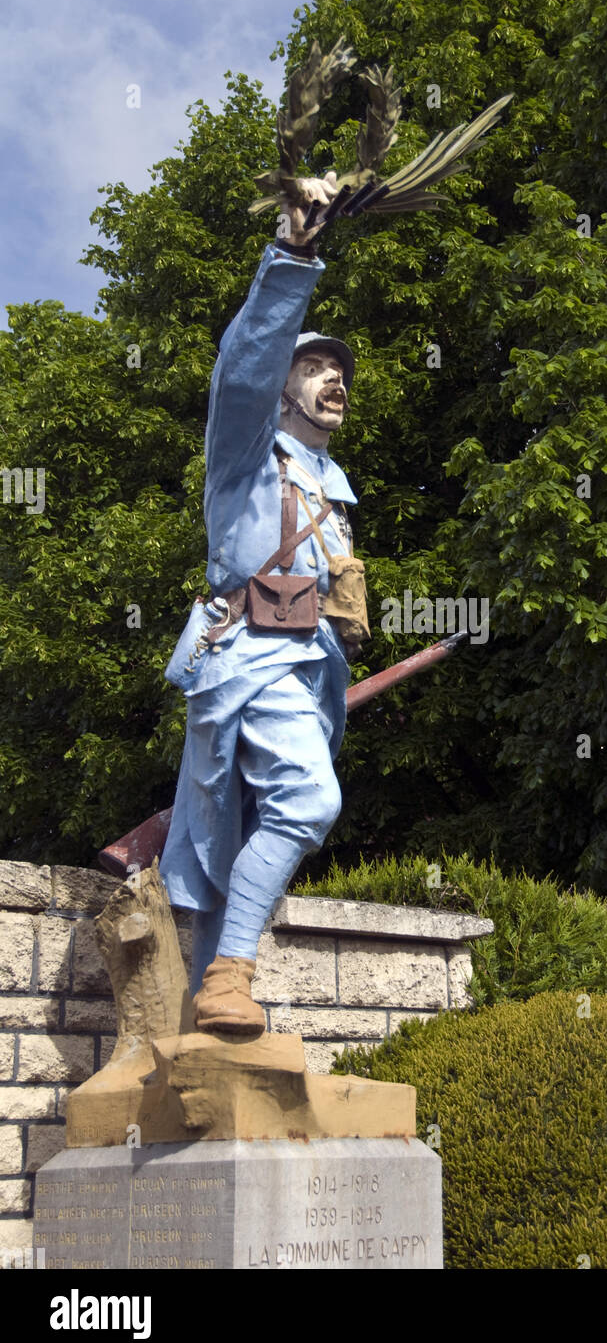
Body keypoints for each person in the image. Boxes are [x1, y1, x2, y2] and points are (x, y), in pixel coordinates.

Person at [159, 171, 364, 1033]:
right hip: (244, 657)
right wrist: (293, 255)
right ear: (285, 387)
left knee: (242, 839)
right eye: (312, 367)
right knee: (311, 803)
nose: (332, 379)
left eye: (339, 371)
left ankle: (206, 1019)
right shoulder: (246, 451)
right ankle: (228, 979)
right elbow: (241, 372)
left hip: (304, 670)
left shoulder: (333, 484)